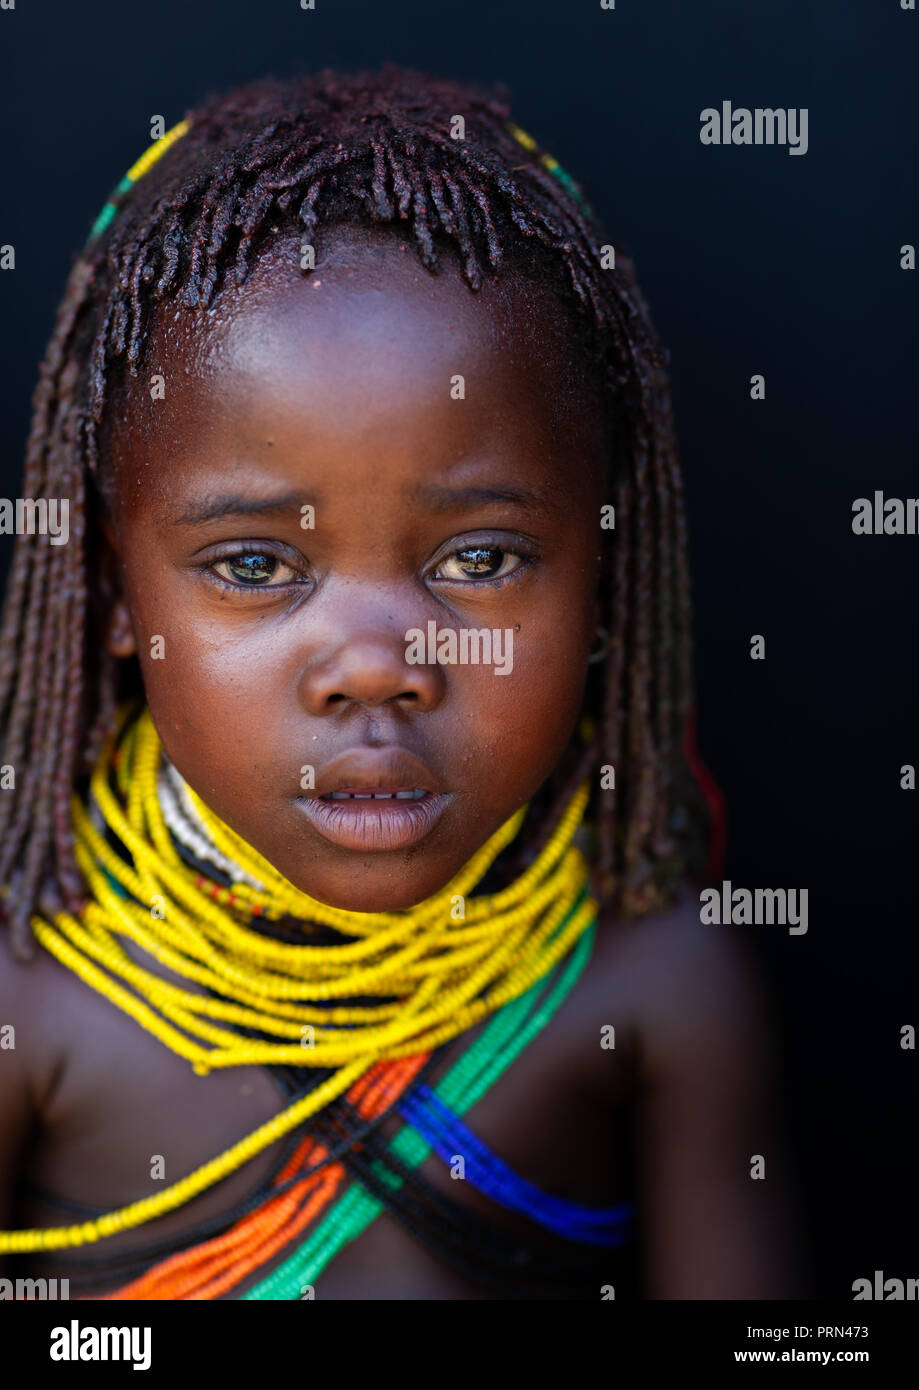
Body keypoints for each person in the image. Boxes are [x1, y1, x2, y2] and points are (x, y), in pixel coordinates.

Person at [0, 64, 801, 1299]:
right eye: (256, 563)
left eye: (479, 558)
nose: (377, 666)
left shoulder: (650, 978)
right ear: (113, 598)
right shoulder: (35, 994)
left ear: (603, 582)